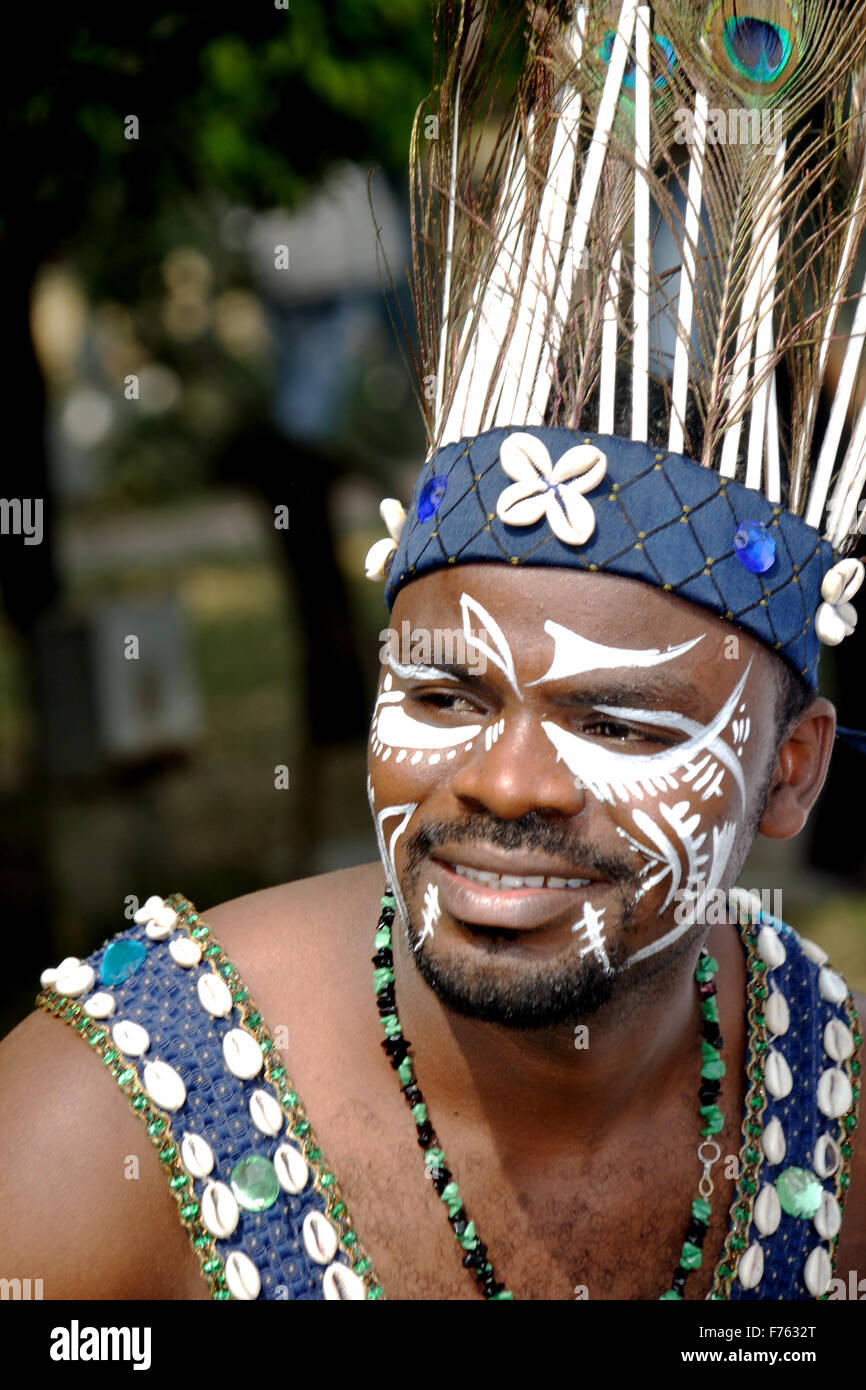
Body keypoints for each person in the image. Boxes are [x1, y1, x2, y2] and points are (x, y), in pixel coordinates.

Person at [1, 1, 865, 1301]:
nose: (501, 781)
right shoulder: (87, 1135)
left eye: (622, 723)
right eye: (442, 691)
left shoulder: (828, 1116)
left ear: (791, 772)